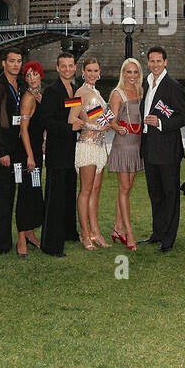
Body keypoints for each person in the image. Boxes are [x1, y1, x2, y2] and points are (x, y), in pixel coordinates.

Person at [140, 46, 185, 252]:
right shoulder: (146, 83)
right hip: (150, 147)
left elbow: (182, 117)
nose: (155, 64)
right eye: (152, 61)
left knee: (170, 195)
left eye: (158, 61)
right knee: (155, 194)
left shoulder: (173, 86)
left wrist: (160, 122)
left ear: (165, 62)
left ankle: (169, 238)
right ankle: (157, 232)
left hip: (167, 149)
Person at [70, 55, 111, 250]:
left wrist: (110, 125)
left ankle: (96, 232)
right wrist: (93, 127)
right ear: (83, 72)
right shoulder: (79, 92)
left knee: (95, 191)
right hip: (86, 146)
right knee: (85, 191)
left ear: (99, 73)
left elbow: (103, 118)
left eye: (96, 71)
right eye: (89, 71)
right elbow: (71, 119)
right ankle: (84, 234)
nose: (93, 74)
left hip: (100, 147)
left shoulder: (97, 93)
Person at [0, 48, 25, 255]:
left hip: (17, 145)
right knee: (3, 194)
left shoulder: (20, 85)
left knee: (11, 191)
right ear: (4, 63)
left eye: (19, 61)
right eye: (12, 61)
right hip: (2, 146)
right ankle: (2, 242)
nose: (16, 65)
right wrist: (2, 152)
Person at [40, 51, 78, 257]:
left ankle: (67, 233)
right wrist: (69, 128)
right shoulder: (52, 91)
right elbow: (46, 121)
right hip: (57, 151)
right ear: (57, 68)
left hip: (72, 150)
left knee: (67, 194)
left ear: (74, 68)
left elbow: (74, 116)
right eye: (63, 66)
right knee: (55, 198)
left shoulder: (73, 89)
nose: (67, 69)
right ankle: (51, 244)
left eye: (70, 65)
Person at [105, 57, 144, 250]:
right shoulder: (117, 93)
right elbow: (109, 120)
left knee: (127, 189)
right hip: (123, 144)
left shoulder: (140, 90)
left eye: (135, 72)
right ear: (123, 73)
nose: (132, 76)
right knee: (124, 188)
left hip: (137, 144)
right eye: (128, 72)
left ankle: (117, 227)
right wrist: (117, 127)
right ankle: (128, 232)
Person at [16, 61, 46, 256]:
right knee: (25, 194)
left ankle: (30, 232)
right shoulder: (28, 98)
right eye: (28, 75)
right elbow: (23, 129)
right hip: (26, 153)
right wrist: (29, 155)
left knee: (34, 192)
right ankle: (21, 238)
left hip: (35, 150)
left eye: (35, 74)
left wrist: (42, 141)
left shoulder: (39, 96)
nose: (32, 78)